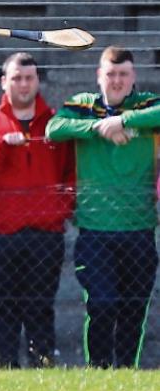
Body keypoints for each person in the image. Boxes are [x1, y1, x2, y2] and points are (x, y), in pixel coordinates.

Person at [46, 46, 160, 369]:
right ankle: (98, 370)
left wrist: (122, 120)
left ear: (134, 77)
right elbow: (53, 129)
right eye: (111, 74)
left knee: (133, 311)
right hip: (95, 231)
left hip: (139, 228)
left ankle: (124, 373)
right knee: (102, 304)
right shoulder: (83, 105)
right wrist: (97, 127)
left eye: (124, 74)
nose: (117, 81)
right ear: (99, 76)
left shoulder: (146, 104)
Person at [0, 52, 75, 368]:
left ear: (38, 81)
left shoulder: (56, 123)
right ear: (4, 82)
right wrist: (0, 146)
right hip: (1, 232)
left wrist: (60, 209)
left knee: (42, 306)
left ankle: (42, 367)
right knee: (5, 307)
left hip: (46, 232)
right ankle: (5, 368)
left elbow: (71, 173)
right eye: (16, 78)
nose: (23, 84)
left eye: (29, 78)